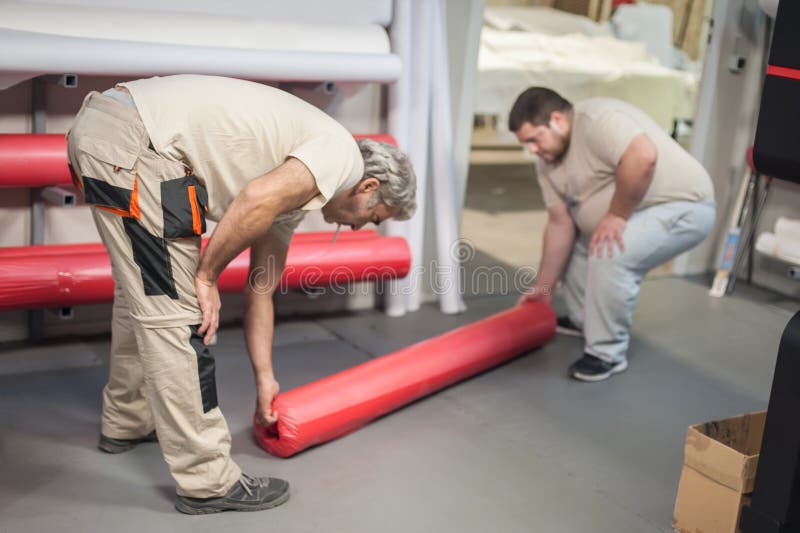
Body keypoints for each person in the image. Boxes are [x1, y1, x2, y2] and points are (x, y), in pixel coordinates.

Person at [65, 74, 416, 514]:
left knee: (148, 293)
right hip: (137, 144)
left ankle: (128, 420)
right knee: (177, 310)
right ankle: (207, 480)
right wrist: (207, 277)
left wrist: (264, 378)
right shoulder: (339, 155)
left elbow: (261, 290)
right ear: (368, 187)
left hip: (119, 133)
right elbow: (253, 199)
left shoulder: (301, 187)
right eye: (376, 216)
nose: (362, 227)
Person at [511, 87, 714, 382]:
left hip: (684, 206)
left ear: (556, 119)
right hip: (633, 211)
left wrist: (617, 215)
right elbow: (559, 224)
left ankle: (606, 352)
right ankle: (584, 319)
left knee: (612, 250)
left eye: (533, 139)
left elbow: (643, 155)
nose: (531, 149)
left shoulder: (598, 119)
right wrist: (543, 288)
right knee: (579, 242)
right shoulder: (547, 162)